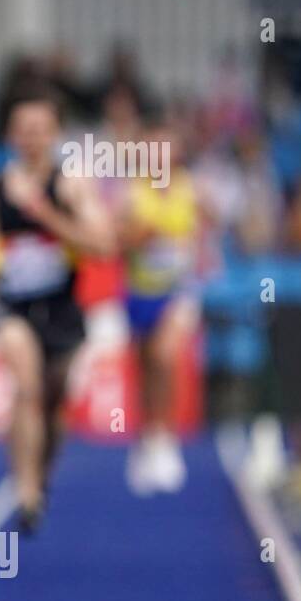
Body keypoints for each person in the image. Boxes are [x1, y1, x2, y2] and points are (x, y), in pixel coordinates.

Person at [0, 95, 114, 532]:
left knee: (55, 403)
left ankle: (42, 471)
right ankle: (26, 490)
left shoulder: (71, 183)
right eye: (24, 129)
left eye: (40, 129)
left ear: (54, 135)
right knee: (27, 389)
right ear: (11, 135)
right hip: (14, 308)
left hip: (63, 309)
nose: (32, 139)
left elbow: (102, 244)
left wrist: (46, 214)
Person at [118, 120, 200, 494]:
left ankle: (167, 439)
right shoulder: (133, 191)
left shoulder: (190, 190)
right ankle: (146, 438)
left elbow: (199, 236)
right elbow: (122, 239)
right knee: (145, 366)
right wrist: (142, 234)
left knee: (166, 357)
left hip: (178, 292)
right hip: (140, 292)